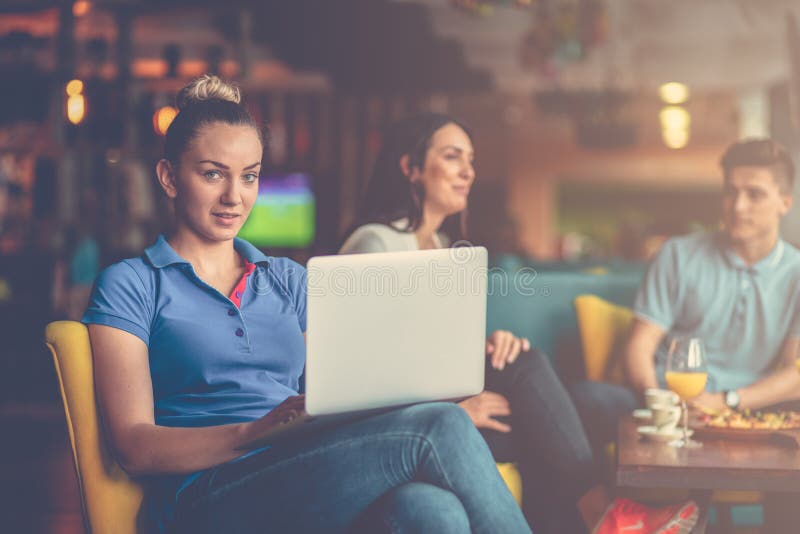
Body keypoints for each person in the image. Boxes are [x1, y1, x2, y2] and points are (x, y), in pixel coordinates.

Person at [82, 76, 532, 534]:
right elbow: (133, 446)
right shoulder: (130, 284)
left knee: (430, 509)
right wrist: (253, 432)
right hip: (204, 497)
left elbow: (350, 390)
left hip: (302, 470)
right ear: (169, 177)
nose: (234, 197)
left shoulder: (288, 280)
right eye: (213, 173)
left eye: (250, 176)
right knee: (440, 427)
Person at [339, 113, 699, 534]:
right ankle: (607, 514)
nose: (468, 171)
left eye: (470, 160)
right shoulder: (375, 244)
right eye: (453, 157)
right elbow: (359, 373)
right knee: (541, 414)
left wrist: (489, 343)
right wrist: (453, 412)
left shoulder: (440, 247)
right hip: (408, 427)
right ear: (411, 168)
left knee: (523, 366)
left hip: (444, 406)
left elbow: (428, 352)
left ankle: (605, 517)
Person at [570, 138, 800, 532]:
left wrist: (726, 403)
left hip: (747, 411)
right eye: (731, 192)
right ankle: (614, 515)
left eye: (754, 194)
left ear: (785, 201)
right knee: (584, 398)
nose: (738, 205)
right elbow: (640, 347)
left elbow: (795, 372)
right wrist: (658, 400)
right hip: (665, 402)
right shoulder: (678, 255)